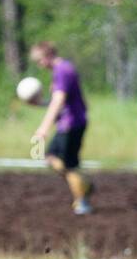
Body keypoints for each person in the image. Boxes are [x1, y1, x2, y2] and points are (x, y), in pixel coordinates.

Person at [28, 42, 92, 215]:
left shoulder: (62, 71)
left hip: (72, 124)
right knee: (50, 157)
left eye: (40, 60)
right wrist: (40, 103)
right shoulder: (61, 70)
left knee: (68, 165)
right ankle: (83, 184)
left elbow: (59, 101)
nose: (39, 65)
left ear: (48, 55)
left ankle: (83, 202)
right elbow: (59, 101)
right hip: (68, 123)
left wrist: (43, 128)